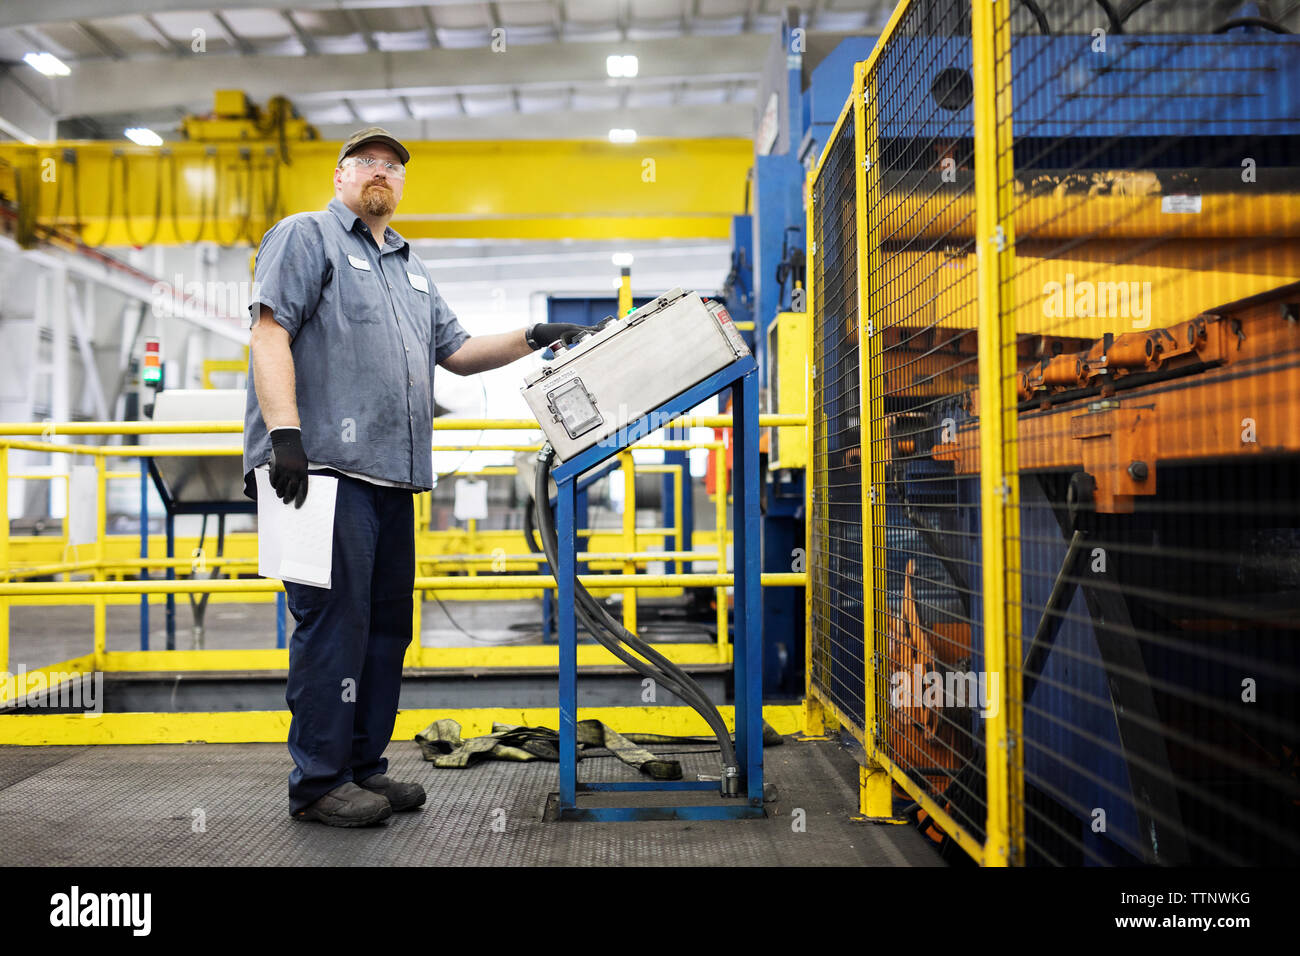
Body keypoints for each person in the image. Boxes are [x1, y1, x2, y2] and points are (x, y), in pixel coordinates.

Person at [242, 126, 584, 827]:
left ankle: (364, 768)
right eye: (367, 163)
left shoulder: (409, 267)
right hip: (321, 474)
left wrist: (532, 336)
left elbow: (454, 353)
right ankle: (318, 782)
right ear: (340, 177)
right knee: (331, 626)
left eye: (394, 168)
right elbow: (269, 331)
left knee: (383, 631)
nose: (382, 174)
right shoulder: (305, 237)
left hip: (392, 479)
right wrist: (285, 437)